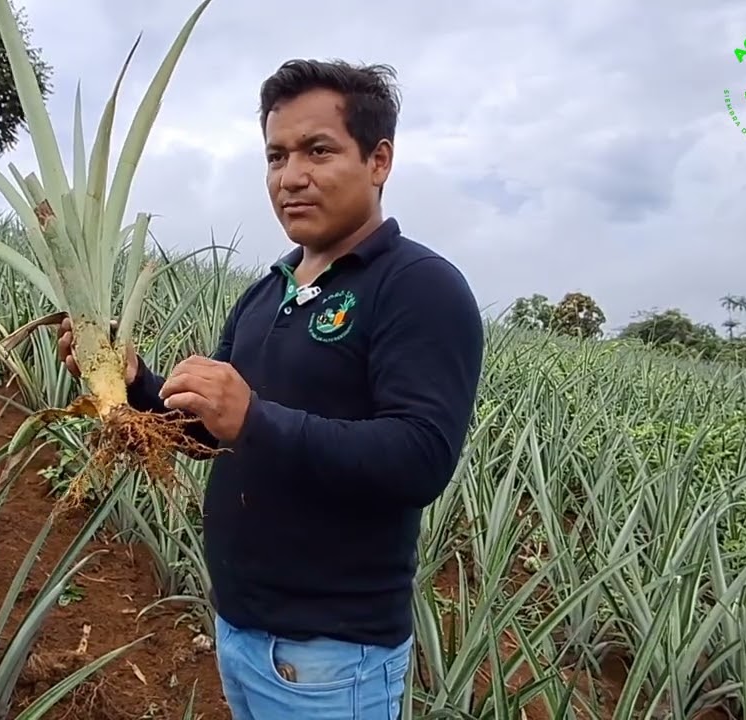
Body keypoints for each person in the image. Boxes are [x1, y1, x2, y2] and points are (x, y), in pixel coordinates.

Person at [57, 58, 484, 719]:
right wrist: (136, 381)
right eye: (276, 155)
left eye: (318, 150)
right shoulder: (269, 291)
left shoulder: (418, 286)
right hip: (238, 631)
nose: (291, 176)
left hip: (332, 658)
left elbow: (420, 456)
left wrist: (255, 417)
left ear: (379, 160)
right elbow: (207, 434)